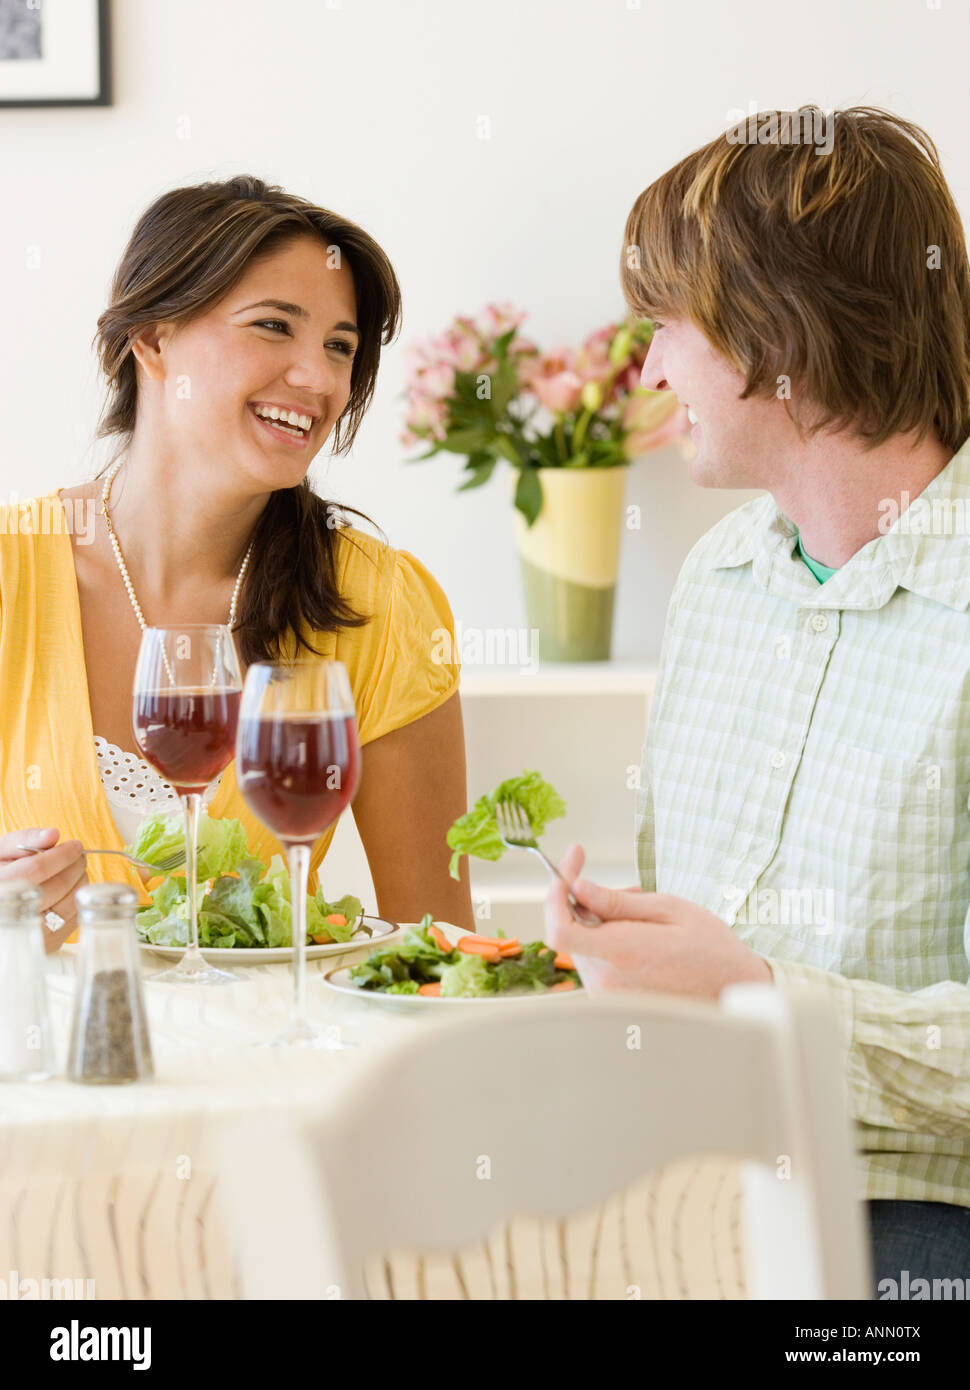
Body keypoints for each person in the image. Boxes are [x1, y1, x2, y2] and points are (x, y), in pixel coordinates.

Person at [545, 106, 970, 1297]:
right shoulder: (722, 578)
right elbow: (703, 934)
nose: (650, 370)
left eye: (666, 326)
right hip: (695, 1173)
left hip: (913, 1212)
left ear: (781, 332)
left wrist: (760, 1000)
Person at [0, 175, 474, 945]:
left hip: (274, 1064)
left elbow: (441, 949)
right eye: (272, 327)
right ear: (151, 339)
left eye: (340, 347)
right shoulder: (9, 577)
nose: (318, 380)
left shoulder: (377, 603)